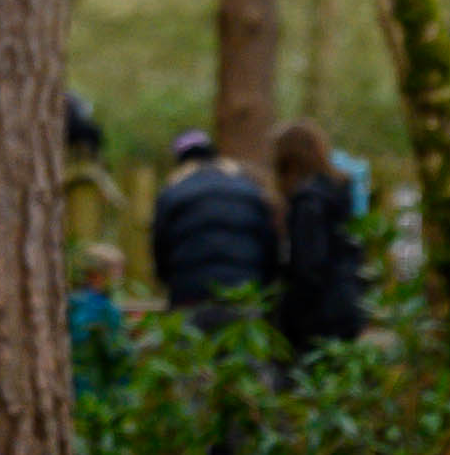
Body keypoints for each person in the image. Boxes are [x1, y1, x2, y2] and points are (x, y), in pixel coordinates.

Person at [149, 126, 280, 333]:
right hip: (243, 292)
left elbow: (160, 248)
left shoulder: (173, 193)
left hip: (190, 293)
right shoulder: (249, 189)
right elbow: (269, 244)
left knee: (191, 358)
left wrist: (172, 281)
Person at [273, 118, 366, 359]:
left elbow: (309, 265)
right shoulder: (339, 193)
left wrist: (290, 314)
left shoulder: (309, 202)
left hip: (320, 315)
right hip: (347, 304)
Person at [68, 241, 128, 387]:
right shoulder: (104, 308)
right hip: (95, 380)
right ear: (100, 275)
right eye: (117, 272)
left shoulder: (72, 300)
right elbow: (115, 350)